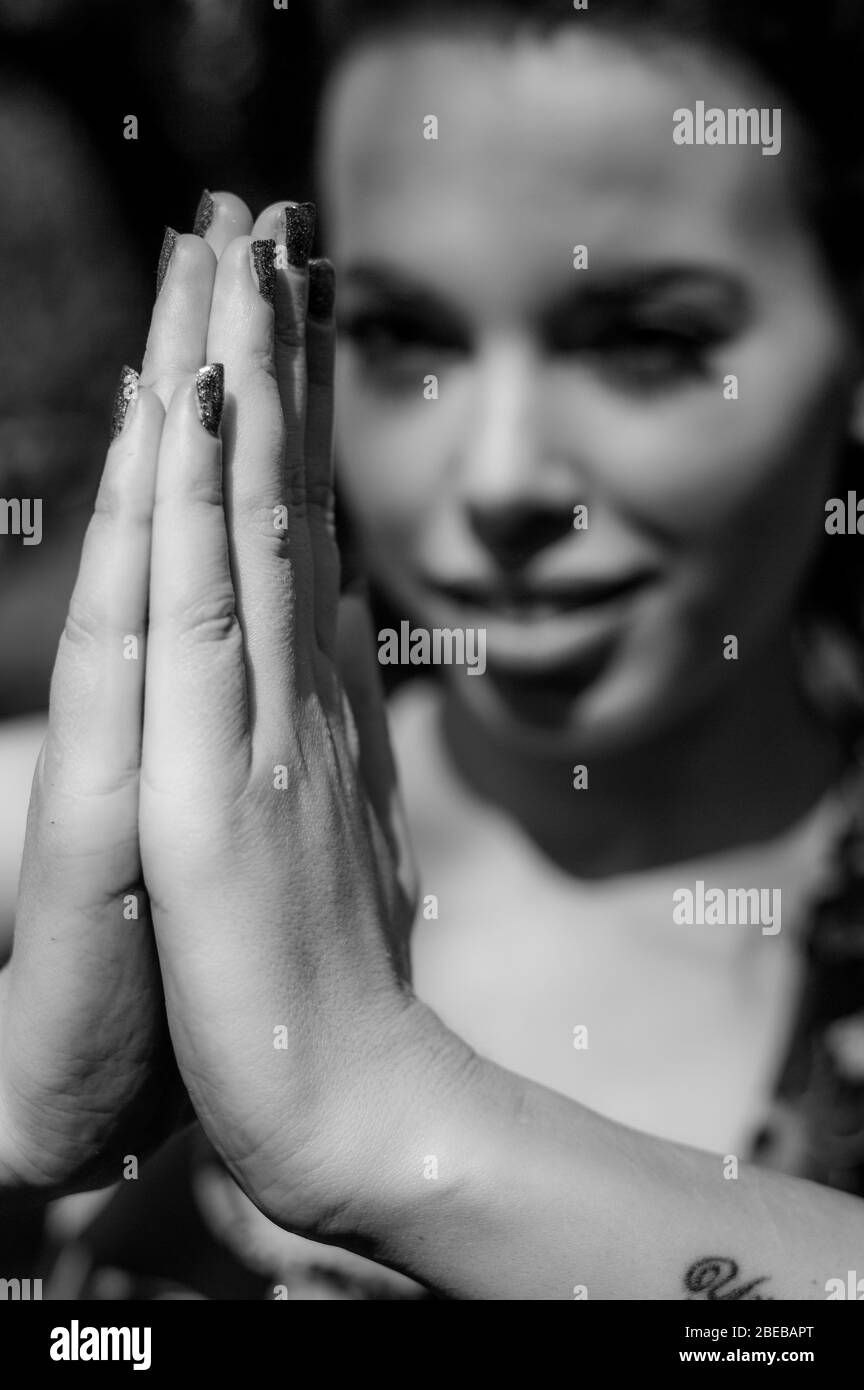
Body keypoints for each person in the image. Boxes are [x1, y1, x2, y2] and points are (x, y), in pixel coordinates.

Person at [4, 0, 864, 1299]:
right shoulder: (54, 856)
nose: (505, 476)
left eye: (645, 341)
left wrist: (404, 1123)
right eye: (408, 338)